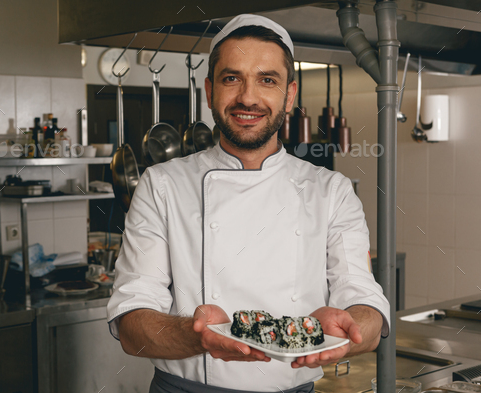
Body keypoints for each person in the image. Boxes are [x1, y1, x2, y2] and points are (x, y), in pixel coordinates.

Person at [107, 14, 390, 393]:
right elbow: (131, 326)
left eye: (267, 80)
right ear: (209, 91)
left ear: (289, 94)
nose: (248, 98)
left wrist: (350, 325)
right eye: (231, 78)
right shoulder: (162, 185)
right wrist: (197, 335)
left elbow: (366, 305)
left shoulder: (331, 190)